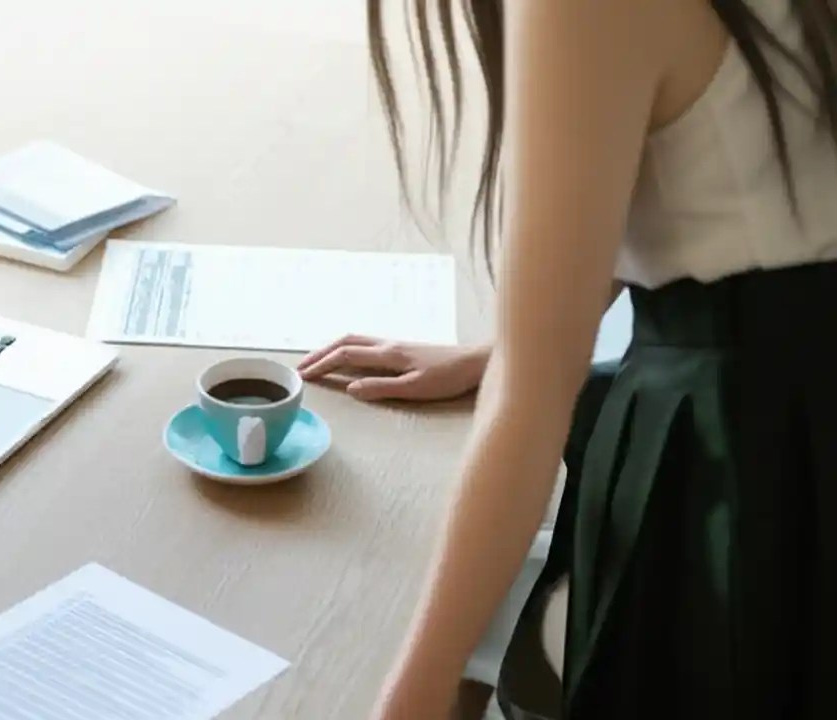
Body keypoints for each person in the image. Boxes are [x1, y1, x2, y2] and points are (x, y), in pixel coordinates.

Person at [300, 1, 837, 718]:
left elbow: (532, 407)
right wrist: (518, 341)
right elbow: (722, 163)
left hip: (751, 488)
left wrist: (411, 696)